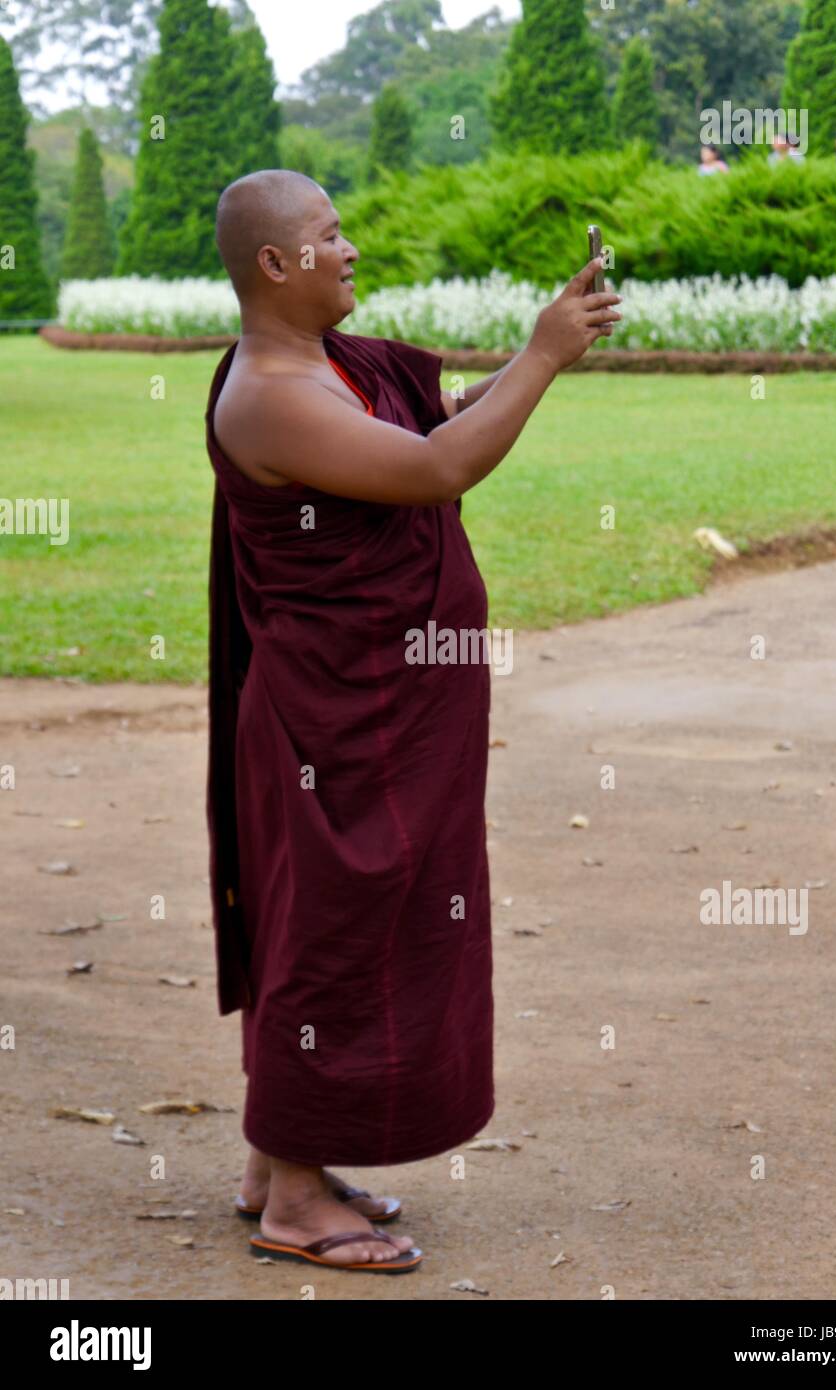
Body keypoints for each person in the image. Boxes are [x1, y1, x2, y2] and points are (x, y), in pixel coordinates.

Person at [205, 169, 621, 1274]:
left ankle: (276, 1163)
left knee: (337, 921)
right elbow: (440, 469)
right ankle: (294, 1200)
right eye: (330, 235)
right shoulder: (271, 394)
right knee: (337, 930)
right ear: (275, 267)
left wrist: (543, 351)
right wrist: (542, 356)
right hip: (333, 727)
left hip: (378, 709)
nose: (349, 248)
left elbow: (437, 421)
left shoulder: (336, 367)